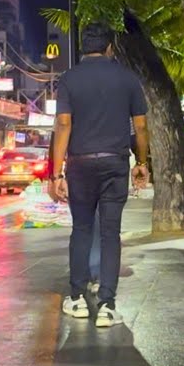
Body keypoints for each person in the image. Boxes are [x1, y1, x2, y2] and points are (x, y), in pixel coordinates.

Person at [49, 23, 150, 329]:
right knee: (110, 233)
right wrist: (142, 163)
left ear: (82, 48)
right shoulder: (128, 79)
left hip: (80, 164)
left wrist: (57, 173)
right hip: (115, 164)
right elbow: (141, 127)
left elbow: (63, 125)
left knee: (81, 230)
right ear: (110, 48)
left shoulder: (69, 79)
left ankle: (77, 298)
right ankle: (107, 304)